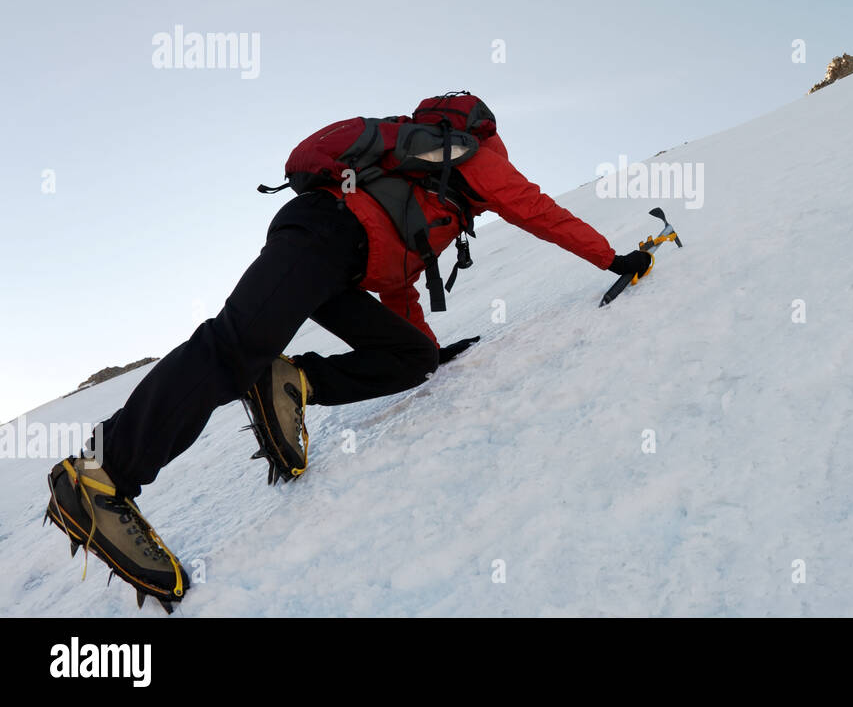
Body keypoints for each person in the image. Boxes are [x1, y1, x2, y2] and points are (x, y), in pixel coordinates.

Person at [43, 99, 652, 612]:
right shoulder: (471, 157)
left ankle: (290, 380)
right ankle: (100, 475)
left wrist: (433, 352)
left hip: (342, 261)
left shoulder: (429, 182)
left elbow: (398, 281)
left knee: (408, 356)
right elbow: (537, 211)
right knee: (233, 346)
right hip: (324, 232)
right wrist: (612, 257)